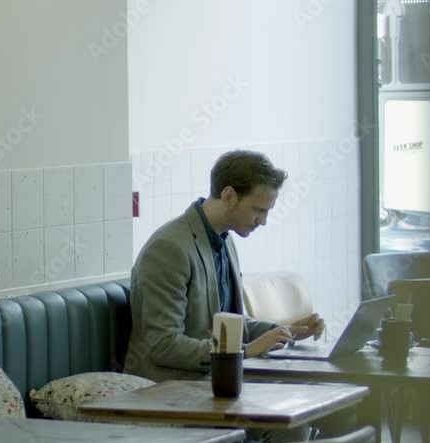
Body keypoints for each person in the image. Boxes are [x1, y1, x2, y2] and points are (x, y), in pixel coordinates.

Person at [124, 150, 325, 382]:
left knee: (311, 385)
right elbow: (163, 344)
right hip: (173, 387)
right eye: (258, 210)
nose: (263, 221)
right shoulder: (169, 248)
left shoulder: (225, 240)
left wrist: (284, 332)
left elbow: (230, 324)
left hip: (217, 379)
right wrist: (244, 351)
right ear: (229, 196)